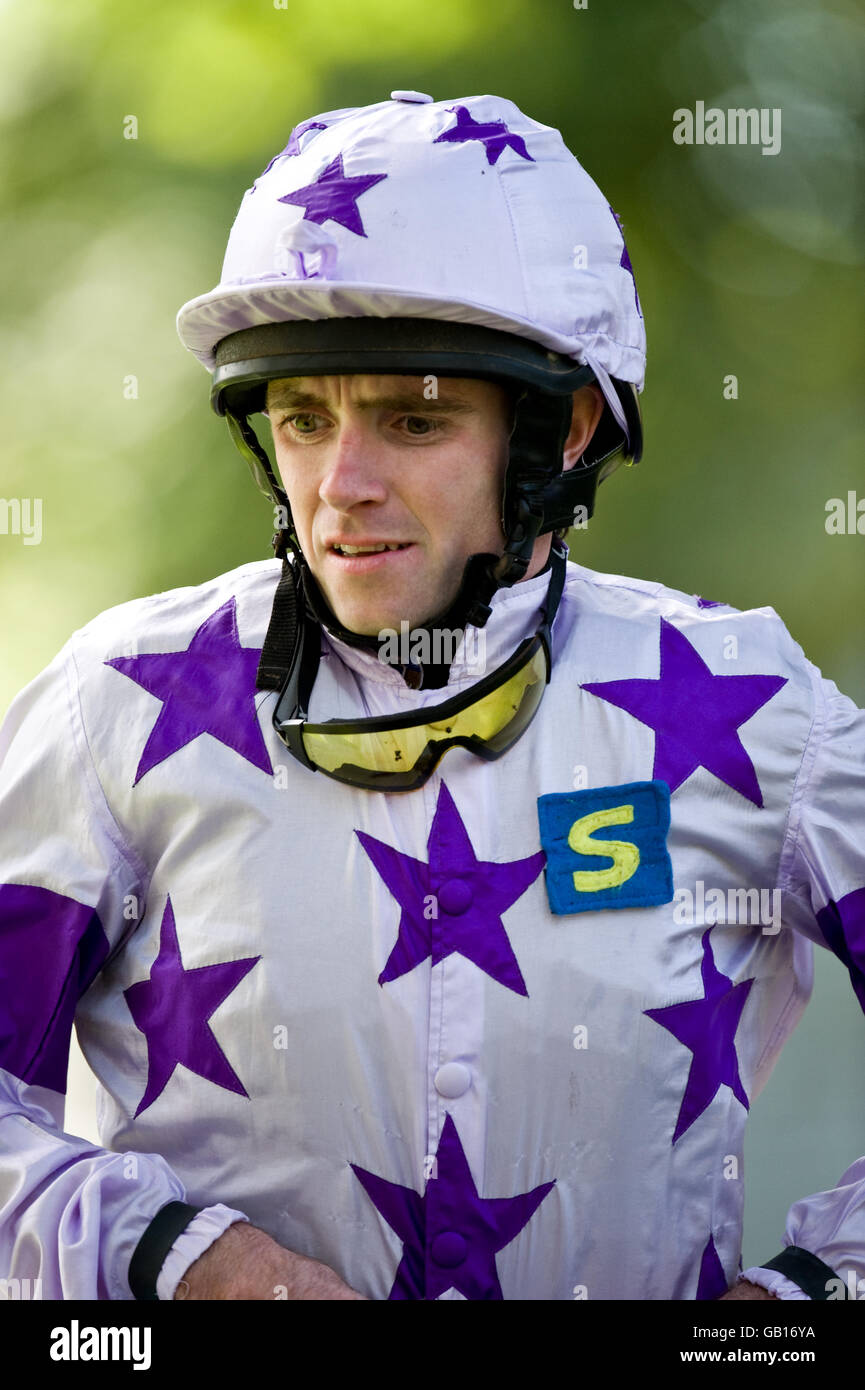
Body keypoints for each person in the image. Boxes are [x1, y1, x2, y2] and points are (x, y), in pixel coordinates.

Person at [1, 90, 863, 1303]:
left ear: (558, 434)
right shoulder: (111, 706)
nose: (340, 484)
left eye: (411, 419)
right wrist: (177, 1257)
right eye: (302, 421)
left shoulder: (757, 705)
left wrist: (803, 1304)